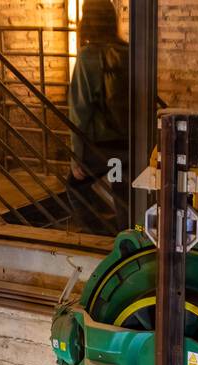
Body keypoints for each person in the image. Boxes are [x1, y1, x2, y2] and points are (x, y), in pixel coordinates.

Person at [66, 0, 129, 229]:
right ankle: (127, 244)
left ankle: (98, 235)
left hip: (101, 147)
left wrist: (76, 157)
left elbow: (79, 112)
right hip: (130, 143)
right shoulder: (128, 52)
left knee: (75, 186)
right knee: (124, 196)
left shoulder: (86, 57)